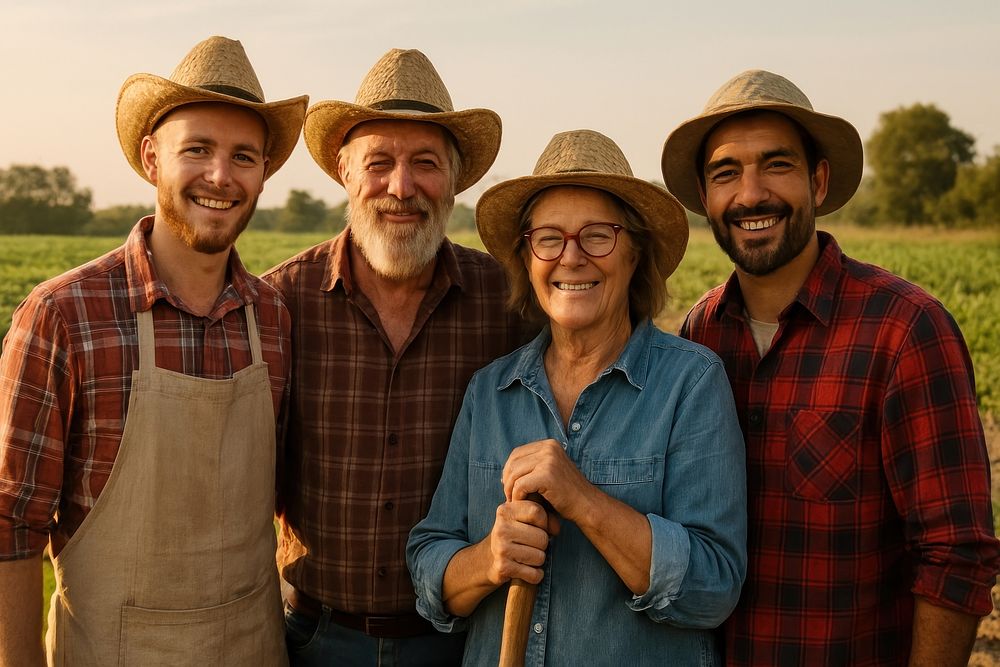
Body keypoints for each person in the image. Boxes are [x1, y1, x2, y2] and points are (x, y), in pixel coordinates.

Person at [662, 69, 1000, 666]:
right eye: (725, 174)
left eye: (777, 165)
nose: (750, 194)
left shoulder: (905, 329)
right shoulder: (700, 334)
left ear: (818, 180)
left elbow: (956, 555)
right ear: (706, 197)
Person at [0, 36, 307, 666]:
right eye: (196, 149)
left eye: (243, 156)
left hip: (255, 650)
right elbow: (10, 525)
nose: (220, 177)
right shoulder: (64, 314)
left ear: (264, 172)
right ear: (150, 158)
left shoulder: (271, 317)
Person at [407, 129, 747, 665]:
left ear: (634, 253)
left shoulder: (690, 384)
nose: (571, 258)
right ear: (527, 257)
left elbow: (714, 587)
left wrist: (585, 502)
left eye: (597, 236)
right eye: (549, 238)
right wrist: (488, 560)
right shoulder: (490, 392)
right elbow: (429, 563)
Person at [262, 48, 528, 665]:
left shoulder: (506, 303)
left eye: (426, 164)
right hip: (311, 635)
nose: (401, 188)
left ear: (456, 180)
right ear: (345, 173)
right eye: (378, 163)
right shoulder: (282, 302)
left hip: (459, 638)